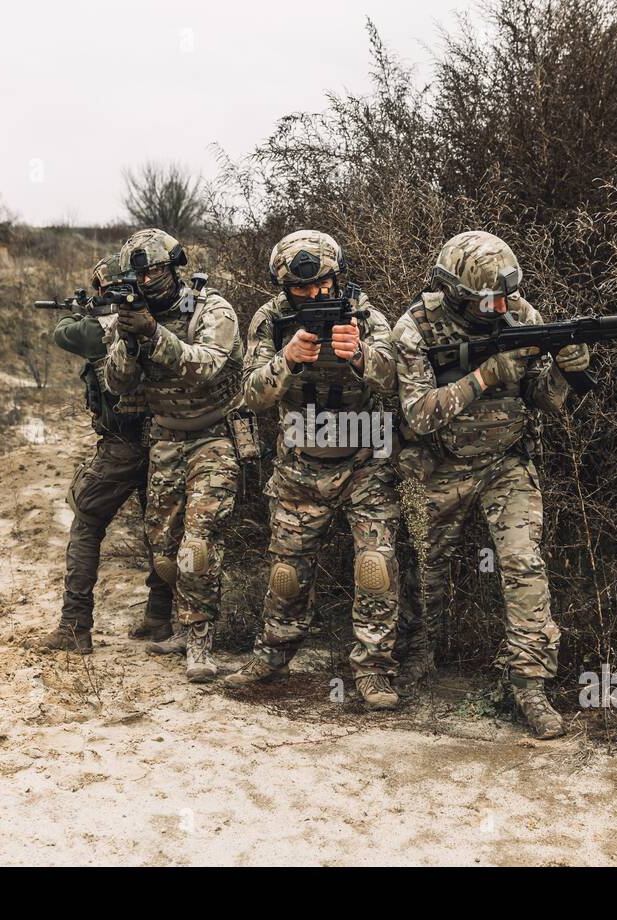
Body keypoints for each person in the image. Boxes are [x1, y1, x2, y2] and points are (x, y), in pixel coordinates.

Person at [390, 230, 591, 738]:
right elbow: (418, 415)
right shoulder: (415, 329)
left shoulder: (521, 314)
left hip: (506, 462)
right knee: (423, 569)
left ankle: (528, 683)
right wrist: (485, 375)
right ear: (455, 293)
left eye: (506, 295)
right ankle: (418, 655)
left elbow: (544, 400)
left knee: (524, 562)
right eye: (489, 300)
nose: (501, 307)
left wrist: (567, 372)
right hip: (436, 465)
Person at [224, 230, 402, 710]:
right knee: (287, 571)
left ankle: (374, 669)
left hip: (365, 462)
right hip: (300, 463)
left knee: (375, 568)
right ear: (284, 287)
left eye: (321, 283)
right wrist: (286, 360)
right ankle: (273, 655)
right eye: (300, 288)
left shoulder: (365, 314)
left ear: (337, 276)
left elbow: (397, 381)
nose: (313, 294)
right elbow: (252, 395)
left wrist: (360, 355)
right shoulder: (270, 320)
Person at [102, 228, 244, 683]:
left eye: (154, 273)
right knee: (164, 550)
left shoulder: (211, 309)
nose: (145, 283)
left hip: (213, 436)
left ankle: (201, 642)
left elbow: (205, 367)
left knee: (199, 544)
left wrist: (154, 333)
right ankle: (184, 627)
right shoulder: (131, 315)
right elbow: (117, 384)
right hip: (165, 438)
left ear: (175, 268)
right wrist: (129, 341)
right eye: (137, 276)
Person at [28, 254, 171, 655]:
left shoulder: (97, 328)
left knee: (87, 522)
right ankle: (159, 618)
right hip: (167, 441)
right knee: (161, 533)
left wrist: (82, 311)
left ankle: (74, 627)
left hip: (121, 446)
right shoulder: (163, 321)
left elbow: (63, 333)